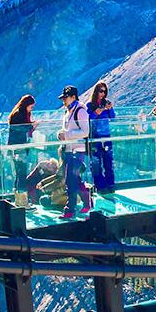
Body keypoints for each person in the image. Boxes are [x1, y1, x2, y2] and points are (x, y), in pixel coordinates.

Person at [57, 85, 95, 220]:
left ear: (73, 97)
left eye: (66, 97)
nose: (64, 100)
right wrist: (62, 135)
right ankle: (88, 202)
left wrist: (66, 135)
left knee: (70, 180)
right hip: (69, 149)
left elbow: (85, 131)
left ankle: (70, 209)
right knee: (75, 179)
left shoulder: (80, 111)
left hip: (78, 150)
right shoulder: (68, 111)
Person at [86, 81, 117, 195]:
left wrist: (110, 108)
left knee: (108, 161)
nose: (103, 94)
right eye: (101, 91)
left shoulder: (106, 103)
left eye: (104, 91)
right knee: (96, 163)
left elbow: (112, 117)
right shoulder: (90, 105)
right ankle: (100, 186)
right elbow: (88, 118)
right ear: (96, 92)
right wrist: (97, 112)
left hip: (106, 136)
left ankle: (110, 184)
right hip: (95, 137)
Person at [6, 95, 36, 204]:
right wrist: (32, 126)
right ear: (26, 105)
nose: (31, 109)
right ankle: (22, 200)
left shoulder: (18, 114)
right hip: (19, 148)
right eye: (31, 107)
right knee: (22, 173)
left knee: (19, 174)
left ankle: (18, 199)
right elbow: (20, 129)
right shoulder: (19, 115)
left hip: (17, 148)